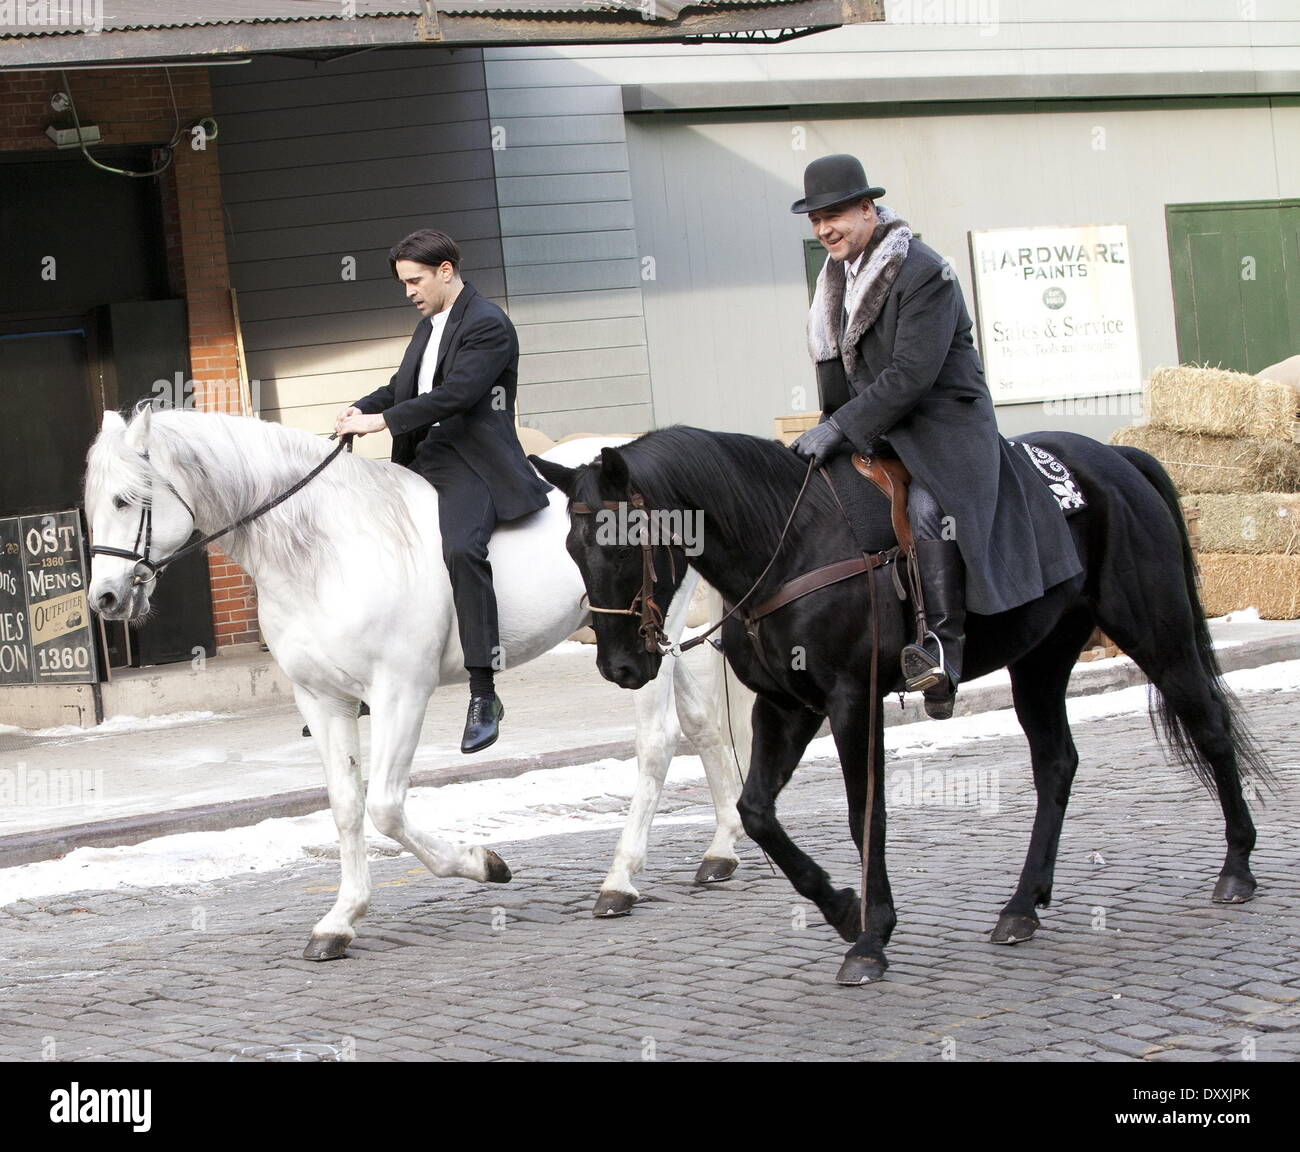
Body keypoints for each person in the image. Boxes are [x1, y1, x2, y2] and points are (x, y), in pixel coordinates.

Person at [789, 155, 1082, 718]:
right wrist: (831, 431)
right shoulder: (835, 279)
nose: (825, 229)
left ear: (868, 210)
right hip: (879, 431)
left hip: (941, 428)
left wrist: (840, 427)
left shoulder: (923, 271)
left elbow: (910, 375)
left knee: (926, 507)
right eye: (815, 219)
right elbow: (842, 373)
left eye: (835, 216)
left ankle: (942, 651)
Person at [336, 229, 551, 752]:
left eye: (415, 280)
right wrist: (360, 409)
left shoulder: (488, 324)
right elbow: (402, 387)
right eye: (403, 283)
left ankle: (484, 690)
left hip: (473, 460)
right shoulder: (428, 327)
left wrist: (382, 422)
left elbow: (455, 396)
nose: (408, 291)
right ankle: (368, 675)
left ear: (446, 271)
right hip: (424, 458)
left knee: (461, 549)